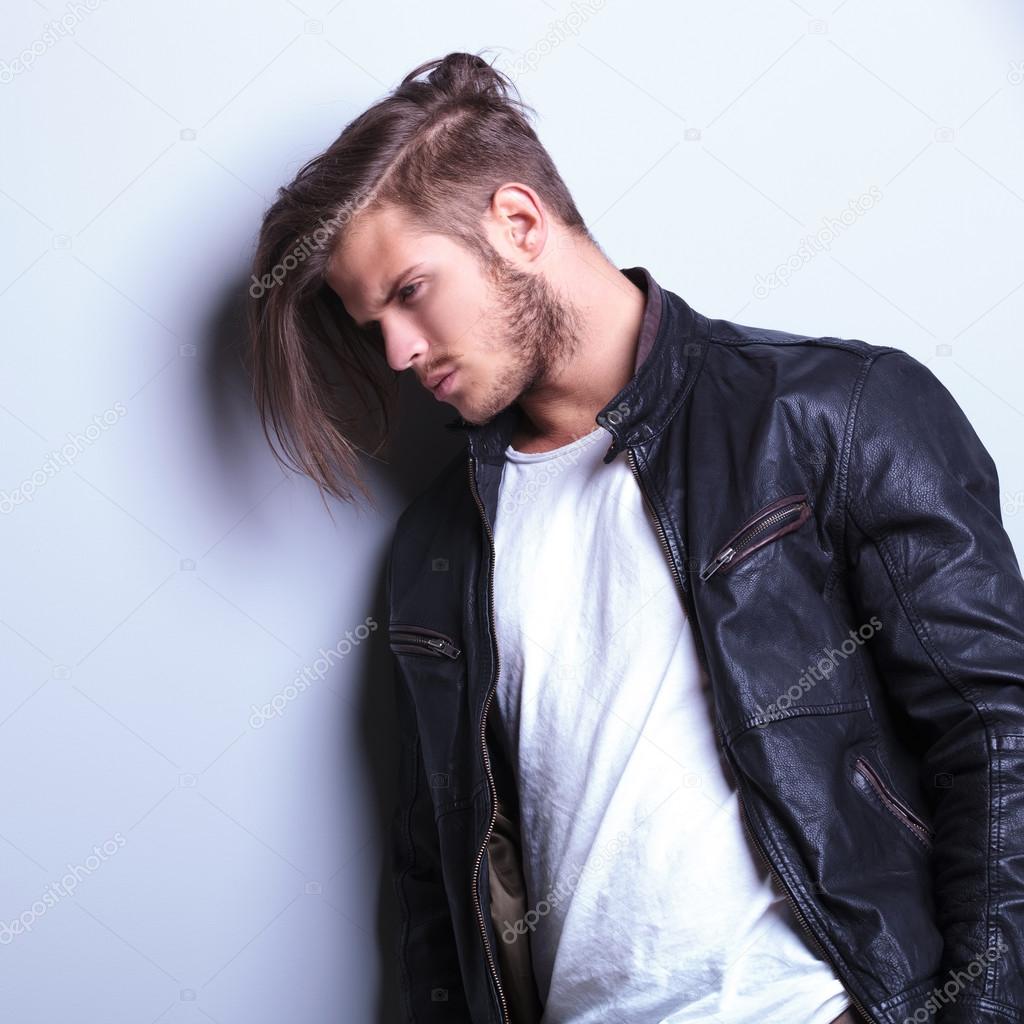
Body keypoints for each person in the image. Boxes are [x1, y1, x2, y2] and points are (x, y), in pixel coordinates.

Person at [246, 50, 1024, 1024]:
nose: (398, 352)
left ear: (518, 223)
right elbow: (433, 884)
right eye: (375, 325)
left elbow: (995, 729)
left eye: (409, 291)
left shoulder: (832, 412)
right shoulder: (438, 547)